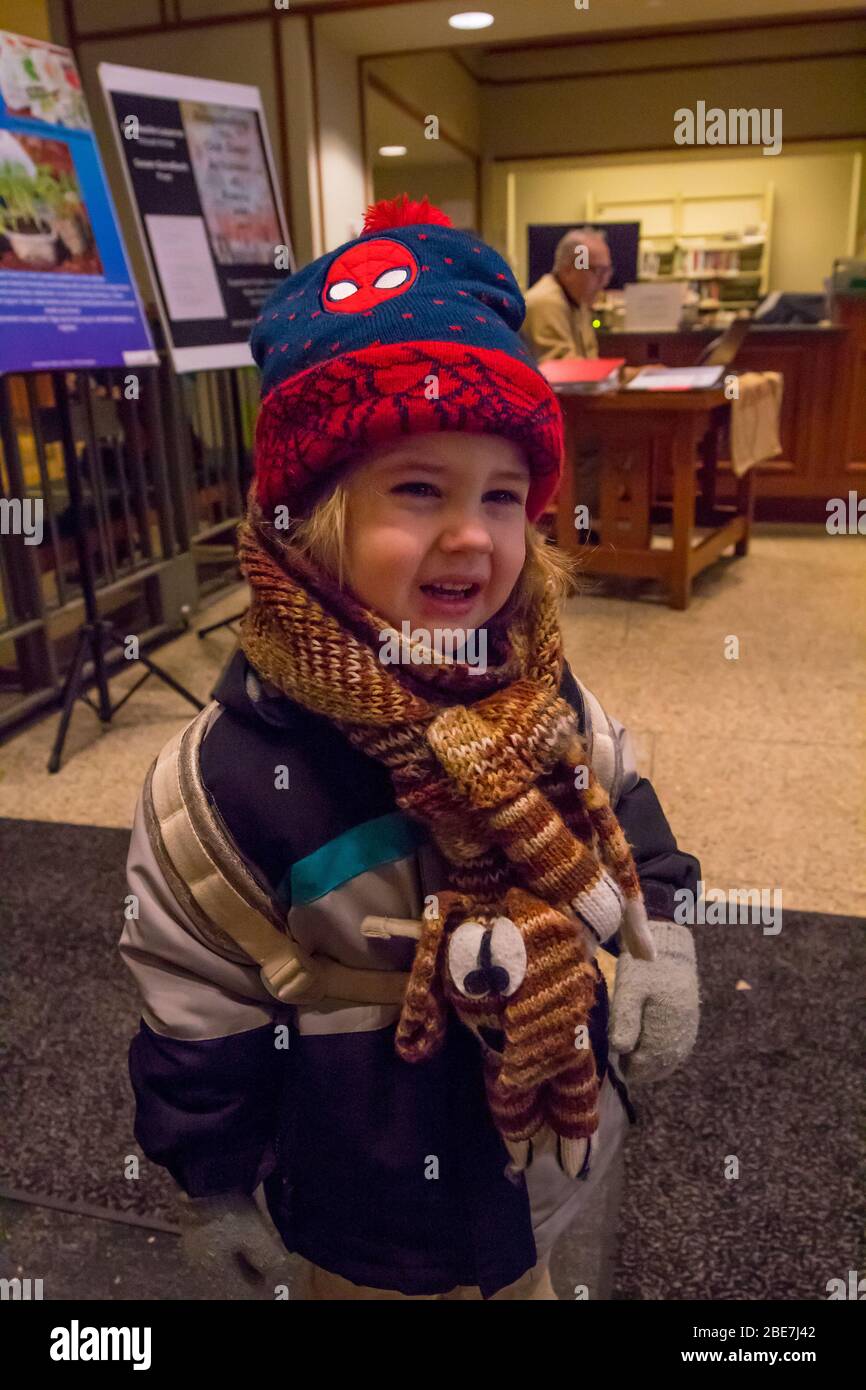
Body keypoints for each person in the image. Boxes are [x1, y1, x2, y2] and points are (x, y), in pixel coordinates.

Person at [120, 194, 700, 1301]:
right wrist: (218, 1187)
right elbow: (195, 994)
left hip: (538, 1164)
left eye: (502, 494)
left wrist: (660, 932)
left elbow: (620, 802)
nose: (472, 534)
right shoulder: (234, 779)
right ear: (310, 517)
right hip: (358, 1206)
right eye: (417, 489)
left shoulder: (537, 688)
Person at [522, 227, 613, 363]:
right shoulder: (546, 303)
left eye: (607, 271)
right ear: (567, 270)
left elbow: (591, 363)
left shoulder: (578, 301)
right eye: (597, 271)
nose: (604, 281)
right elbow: (565, 373)